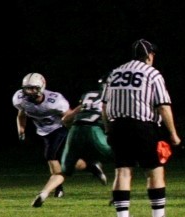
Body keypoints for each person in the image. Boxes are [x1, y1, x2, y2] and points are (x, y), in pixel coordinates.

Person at [102, 39, 182, 217]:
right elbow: (163, 106)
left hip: (117, 125)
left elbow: (104, 106)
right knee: (155, 170)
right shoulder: (152, 73)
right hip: (142, 126)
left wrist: (108, 129)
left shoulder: (115, 73)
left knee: (123, 171)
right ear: (149, 55)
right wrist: (173, 134)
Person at [31, 78, 112, 207]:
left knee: (63, 170)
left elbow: (65, 120)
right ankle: (118, 195)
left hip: (75, 129)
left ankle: (44, 193)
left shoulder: (87, 96)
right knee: (123, 162)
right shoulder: (113, 97)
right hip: (95, 129)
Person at [13, 72, 75, 202]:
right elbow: (21, 114)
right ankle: (90, 165)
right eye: (27, 88)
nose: (30, 92)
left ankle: (57, 188)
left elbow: (70, 116)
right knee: (62, 159)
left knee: (50, 155)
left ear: (42, 87)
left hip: (59, 128)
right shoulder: (20, 99)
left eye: (33, 88)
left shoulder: (55, 100)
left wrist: (74, 131)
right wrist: (21, 130)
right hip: (42, 131)